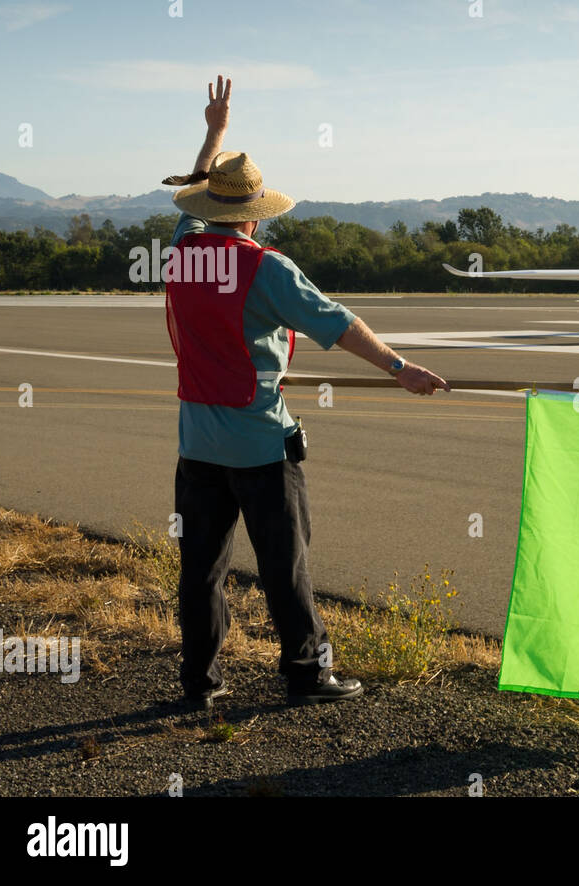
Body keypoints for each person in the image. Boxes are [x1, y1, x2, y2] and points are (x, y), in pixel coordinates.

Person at [163, 75, 449, 710]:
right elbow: (340, 324)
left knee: (201, 570)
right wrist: (400, 368)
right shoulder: (268, 269)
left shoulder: (181, 254)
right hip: (260, 444)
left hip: (197, 444)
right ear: (257, 214)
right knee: (284, 568)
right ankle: (305, 675)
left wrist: (214, 135)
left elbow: (189, 203)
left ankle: (198, 685)